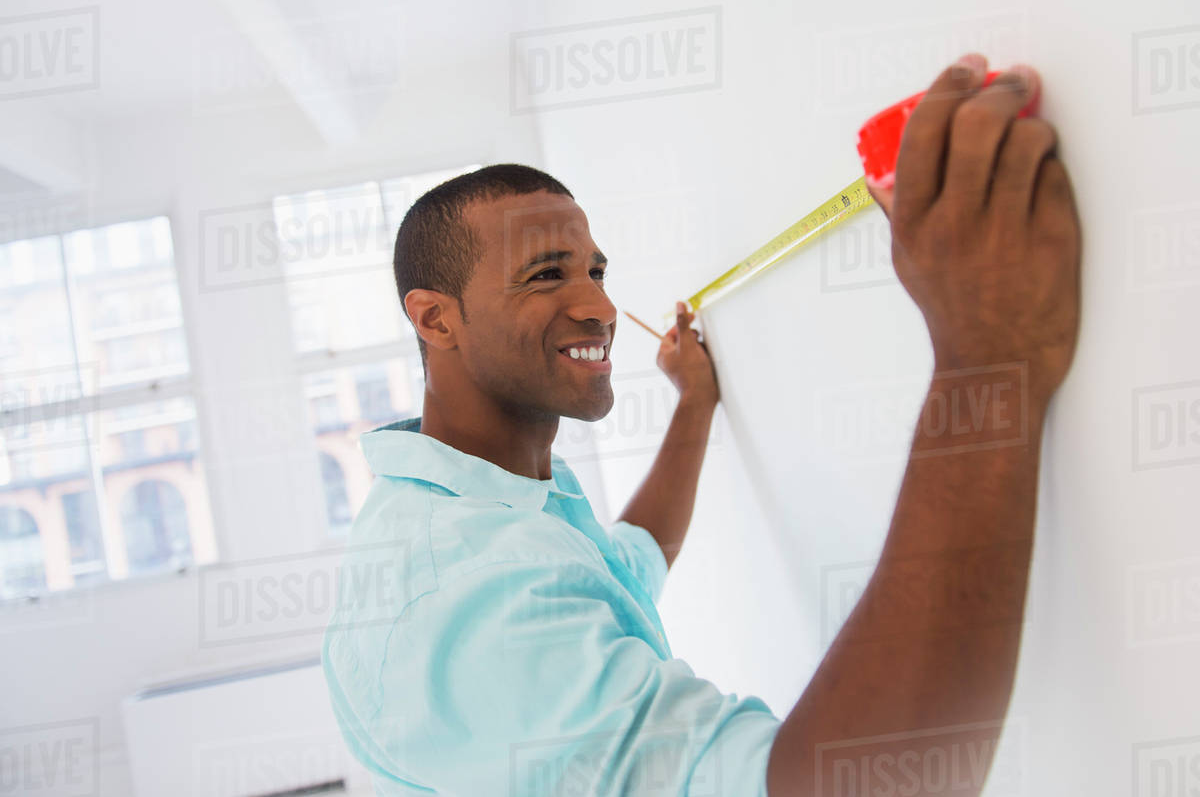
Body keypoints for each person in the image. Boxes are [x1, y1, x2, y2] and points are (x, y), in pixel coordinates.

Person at [321, 51, 1081, 796]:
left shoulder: (480, 507)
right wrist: (986, 356)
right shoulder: (470, 597)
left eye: (597, 271)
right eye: (547, 274)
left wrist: (695, 403)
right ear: (434, 318)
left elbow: (624, 568)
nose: (599, 307)